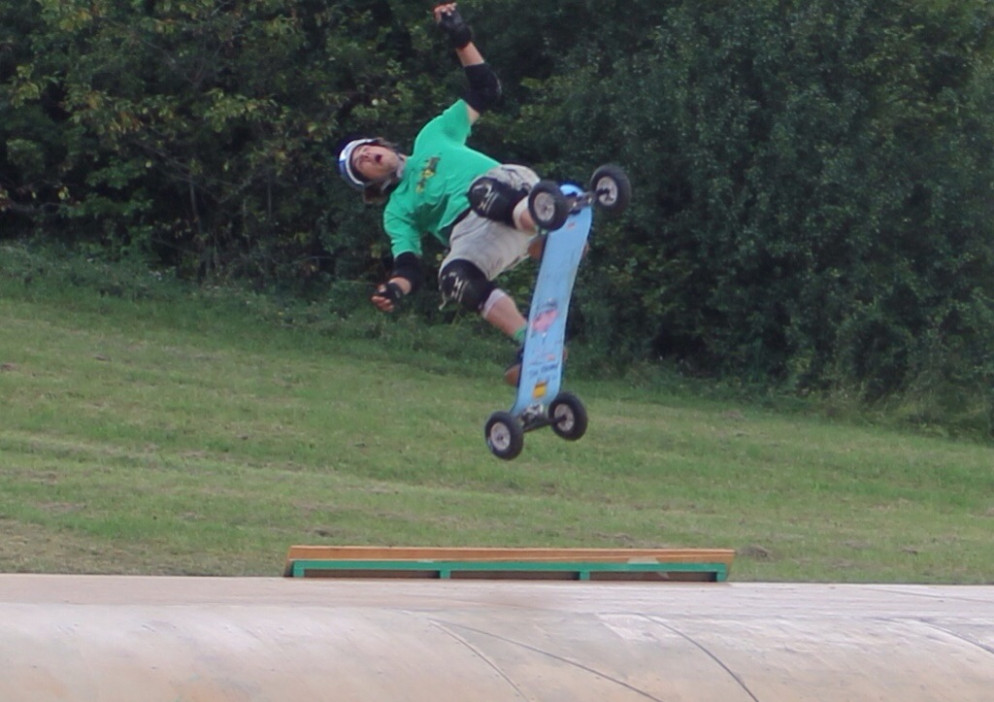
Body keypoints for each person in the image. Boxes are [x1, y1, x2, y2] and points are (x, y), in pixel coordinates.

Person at [337, 3, 545, 385]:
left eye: (365, 148)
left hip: (508, 187)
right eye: (360, 164)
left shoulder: (432, 135)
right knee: (452, 275)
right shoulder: (396, 211)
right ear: (370, 184)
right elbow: (409, 267)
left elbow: (486, 89)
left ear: (380, 143)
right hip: (483, 236)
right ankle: (533, 341)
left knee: (479, 192)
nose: (366, 155)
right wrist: (394, 291)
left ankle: (546, 226)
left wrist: (460, 37)